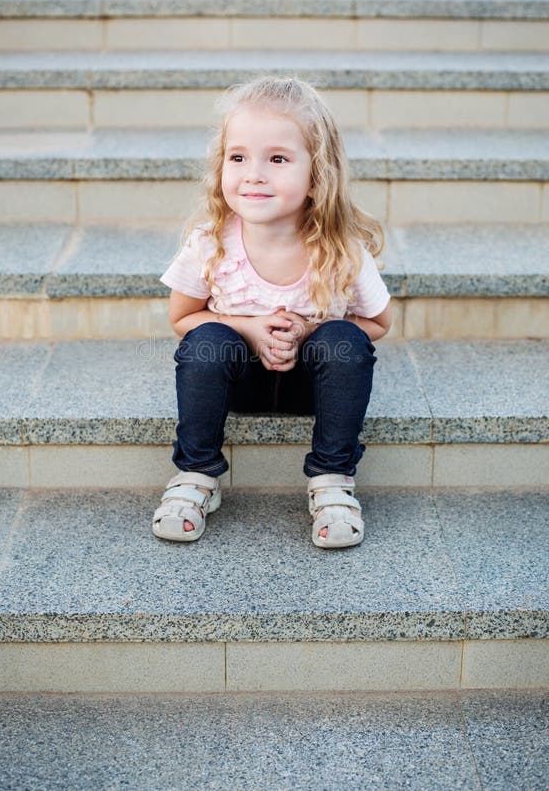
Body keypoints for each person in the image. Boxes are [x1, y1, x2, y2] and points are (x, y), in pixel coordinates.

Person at [153, 76, 392, 549]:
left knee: (345, 340)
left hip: (311, 384)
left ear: (316, 174)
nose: (254, 174)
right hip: (238, 381)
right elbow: (182, 318)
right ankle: (195, 476)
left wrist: (308, 332)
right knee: (205, 341)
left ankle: (332, 482)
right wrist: (246, 327)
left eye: (277, 159)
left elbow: (380, 323)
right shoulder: (211, 242)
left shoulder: (340, 248)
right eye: (238, 157)